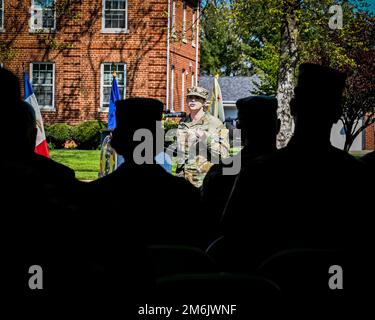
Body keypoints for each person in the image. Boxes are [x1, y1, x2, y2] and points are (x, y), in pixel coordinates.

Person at [201, 96, 279, 238]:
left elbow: (205, 225)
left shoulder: (220, 174)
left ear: (239, 129)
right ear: (278, 126)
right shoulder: (296, 173)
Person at [175, 86, 229, 188]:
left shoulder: (215, 123)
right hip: (183, 178)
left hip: (204, 179)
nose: (193, 100)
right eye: (190, 97)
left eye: (197, 98)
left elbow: (224, 155)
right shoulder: (183, 122)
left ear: (204, 102)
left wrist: (206, 139)